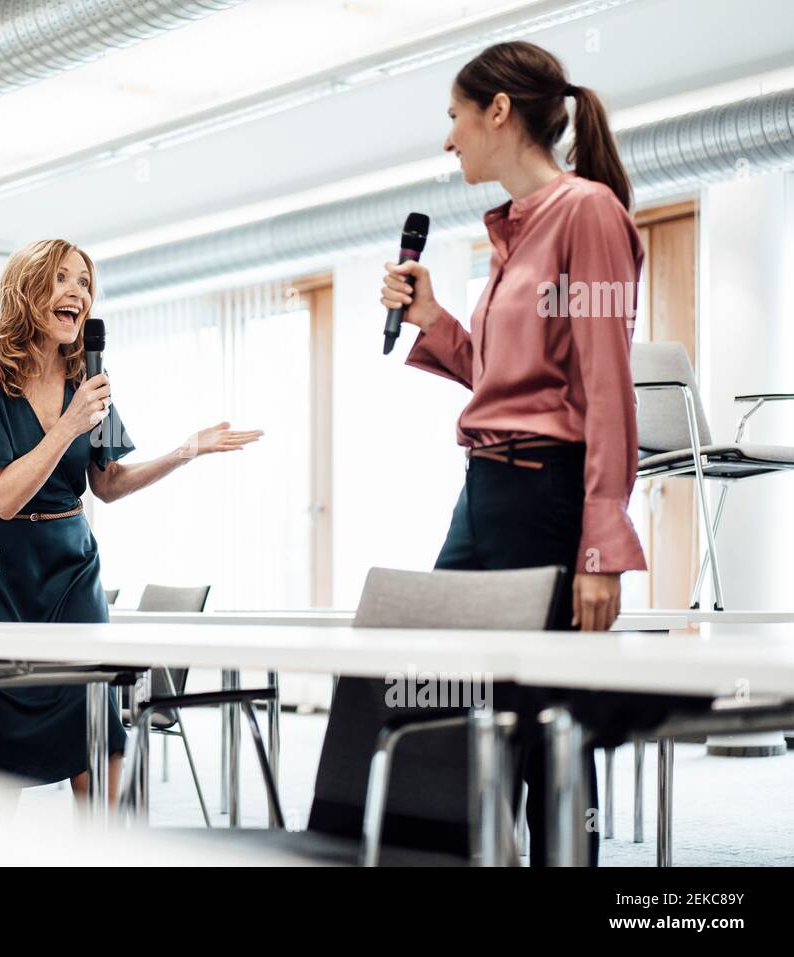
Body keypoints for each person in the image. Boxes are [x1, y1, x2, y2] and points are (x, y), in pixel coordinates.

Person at [378, 41, 645, 864]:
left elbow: (605, 383)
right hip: (487, 491)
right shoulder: (513, 238)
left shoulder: (587, 211)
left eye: (455, 117)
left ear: (498, 111)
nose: (449, 138)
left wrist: (603, 540)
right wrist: (435, 324)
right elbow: (505, 380)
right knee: (417, 692)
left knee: (542, 719)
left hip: (546, 494)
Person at [0, 238, 262, 806]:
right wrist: (67, 425)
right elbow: (4, 497)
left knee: (95, 715)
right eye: (62, 279)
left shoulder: (88, 382)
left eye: (85, 283)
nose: (77, 293)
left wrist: (185, 451)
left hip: (71, 566)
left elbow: (106, 483)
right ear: (27, 291)